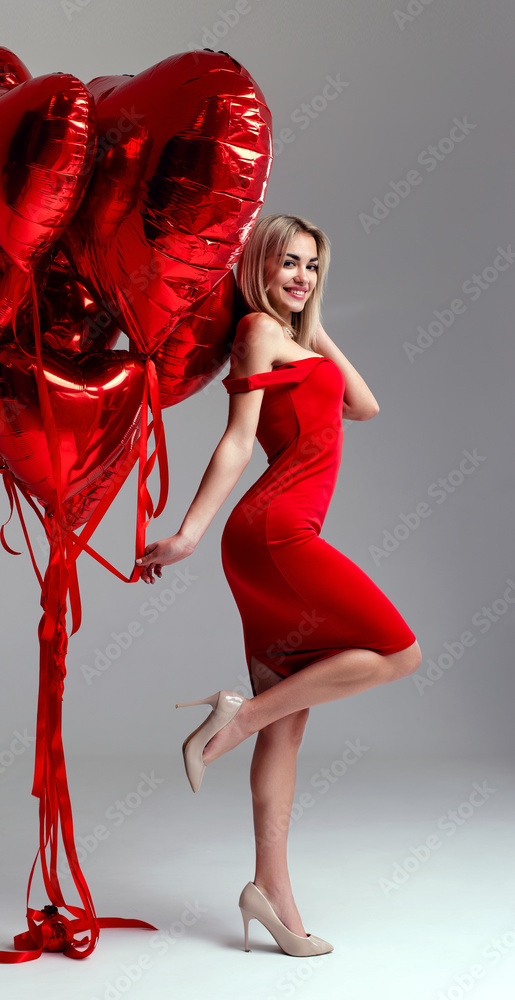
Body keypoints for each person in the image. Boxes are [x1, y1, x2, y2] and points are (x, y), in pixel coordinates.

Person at [134, 214, 422, 957]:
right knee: (400, 654)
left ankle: (270, 891)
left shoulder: (292, 338)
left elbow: (365, 406)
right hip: (276, 532)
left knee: (287, 724)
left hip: (277, 535)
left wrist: (316, 329)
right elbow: (236, 438)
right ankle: (234, 718)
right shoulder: (258, 330)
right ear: (259, 264)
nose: (300, 277)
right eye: (288, 262)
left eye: (312, 267)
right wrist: (191, 533)